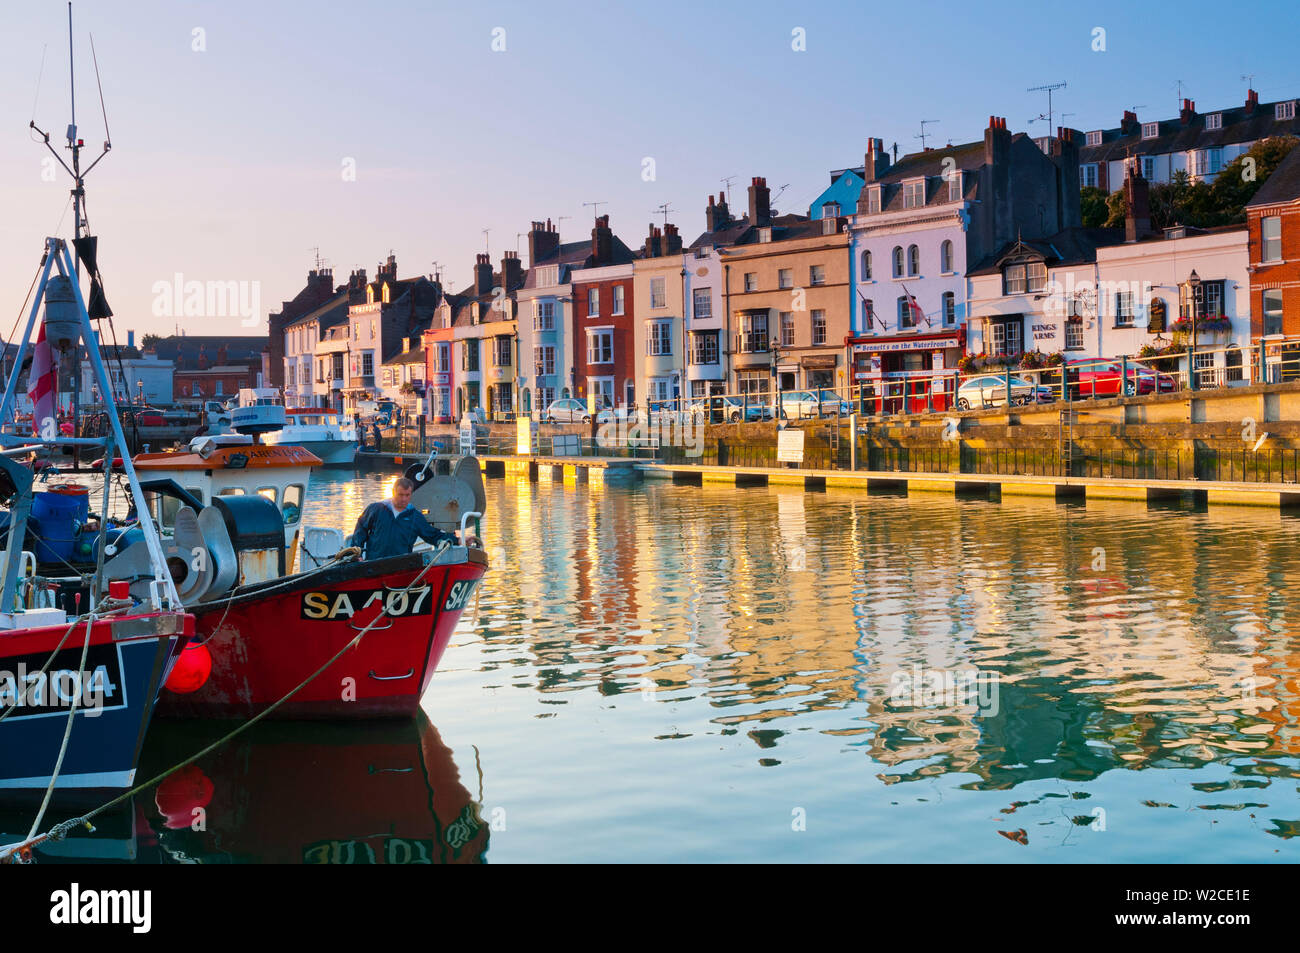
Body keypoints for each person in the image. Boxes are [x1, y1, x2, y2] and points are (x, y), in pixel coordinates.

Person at [349, 476, 458, 560]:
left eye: (407, 495)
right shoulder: (376, 509)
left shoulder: (415, 516)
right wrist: (356, 554)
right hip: (373, 564)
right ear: (393, 492)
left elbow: (432, 535)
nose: (404, 499)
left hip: (401, 566)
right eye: (400, 495)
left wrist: (458, 540)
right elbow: (361, 529)